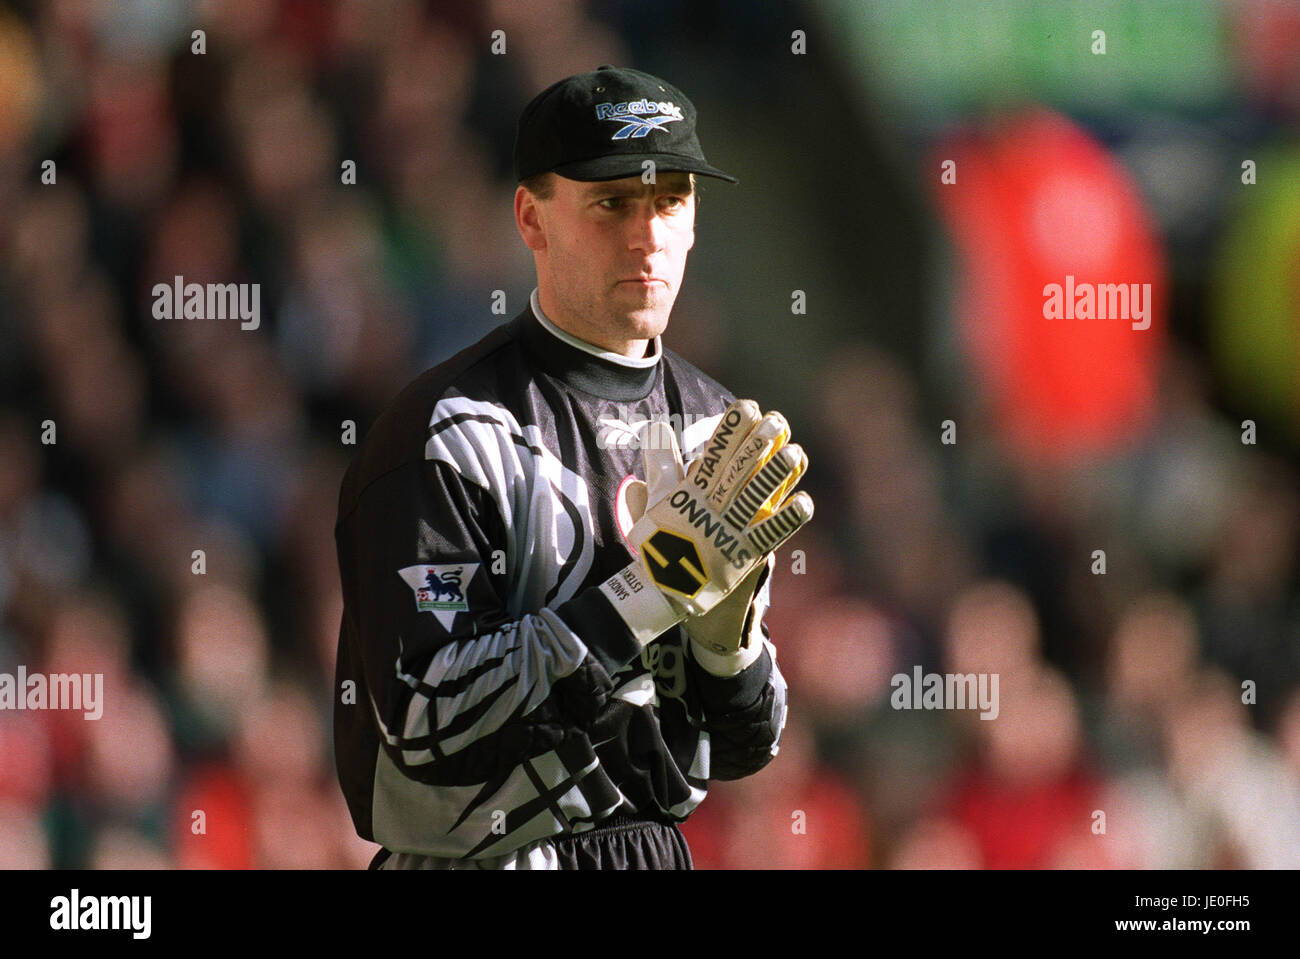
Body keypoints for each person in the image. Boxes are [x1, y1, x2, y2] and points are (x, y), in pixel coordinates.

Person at [333, 65, 813, 869]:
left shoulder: (713, 428)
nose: (648, 233)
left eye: (671, 201)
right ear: (531, 217)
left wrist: (728, 653)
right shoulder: (445, 432)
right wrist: (649, 592)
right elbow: (426, 718)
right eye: (612, 202)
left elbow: (742, 747)